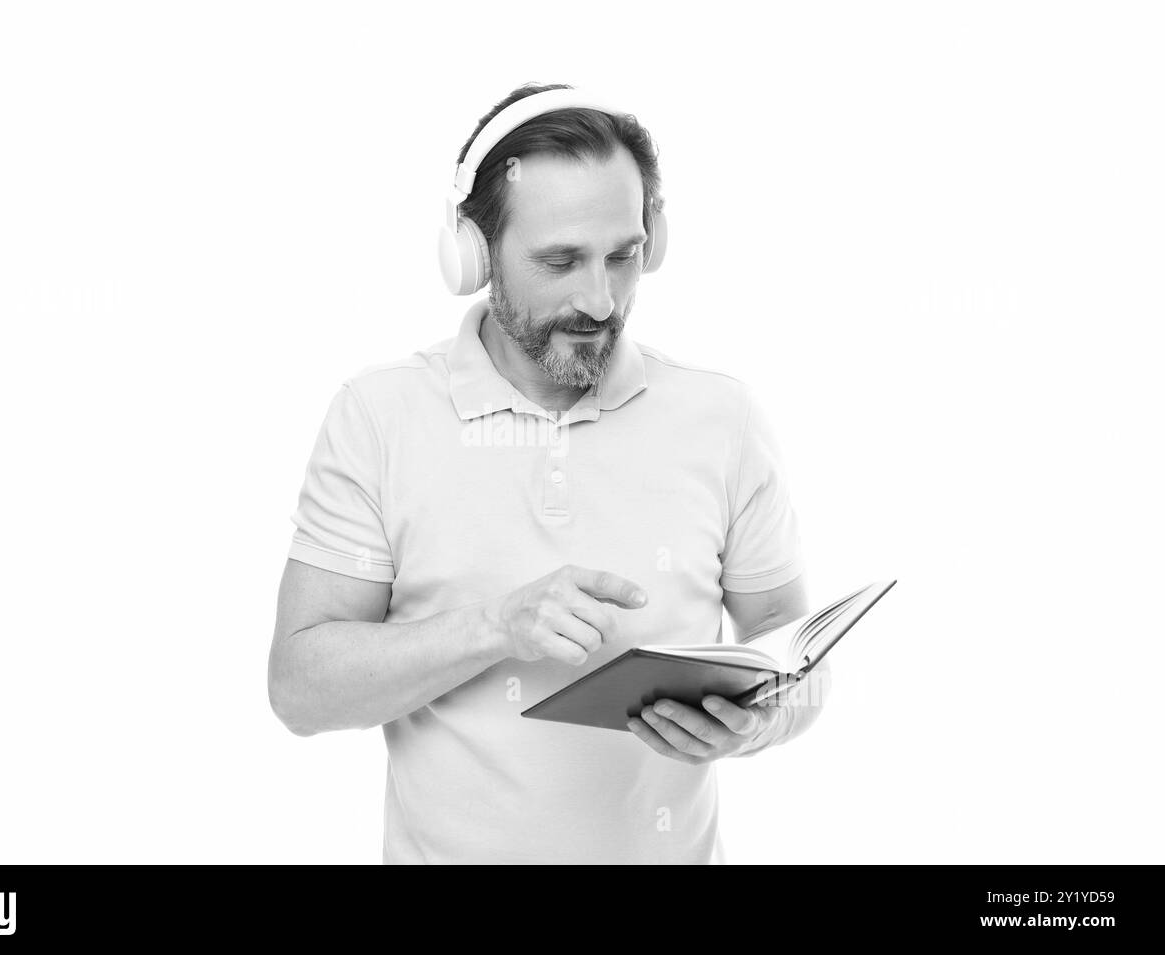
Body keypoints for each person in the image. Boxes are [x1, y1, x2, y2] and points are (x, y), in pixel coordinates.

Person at [268, 82, 831, 864]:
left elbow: (797, 659)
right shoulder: (377, 417)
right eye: (560, 261)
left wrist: (761, 719)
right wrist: (495, 626)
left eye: (624, 256)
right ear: (472, 251)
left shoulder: (723, 418)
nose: (599, 300)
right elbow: (300, 688)